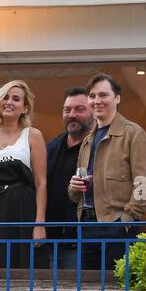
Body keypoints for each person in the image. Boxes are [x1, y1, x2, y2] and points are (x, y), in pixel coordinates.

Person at [67, 73, 146, 271]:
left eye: (103, 95)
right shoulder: (87, 140)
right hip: (86, 225)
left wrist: (125, 220)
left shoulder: (133, 133)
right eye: (92, 96)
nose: (97, 101)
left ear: (117, 98)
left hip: (118, 226)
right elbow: (75, 194)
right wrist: (73, 187)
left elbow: (145, 185)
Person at [0, 80, 47, 271]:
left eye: (16, 99)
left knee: (25, 266)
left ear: (25, 108)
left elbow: (41, 183)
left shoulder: (32, 135)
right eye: (5, 97)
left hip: (23, 210)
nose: (9, 102)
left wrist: (39, 224)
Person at [44, 87, 93, 270]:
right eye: (67, 110)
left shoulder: (101, 147)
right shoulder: (51, 148)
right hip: (48, 243)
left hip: (83, 245)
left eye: (80, 109)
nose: (72, 115)